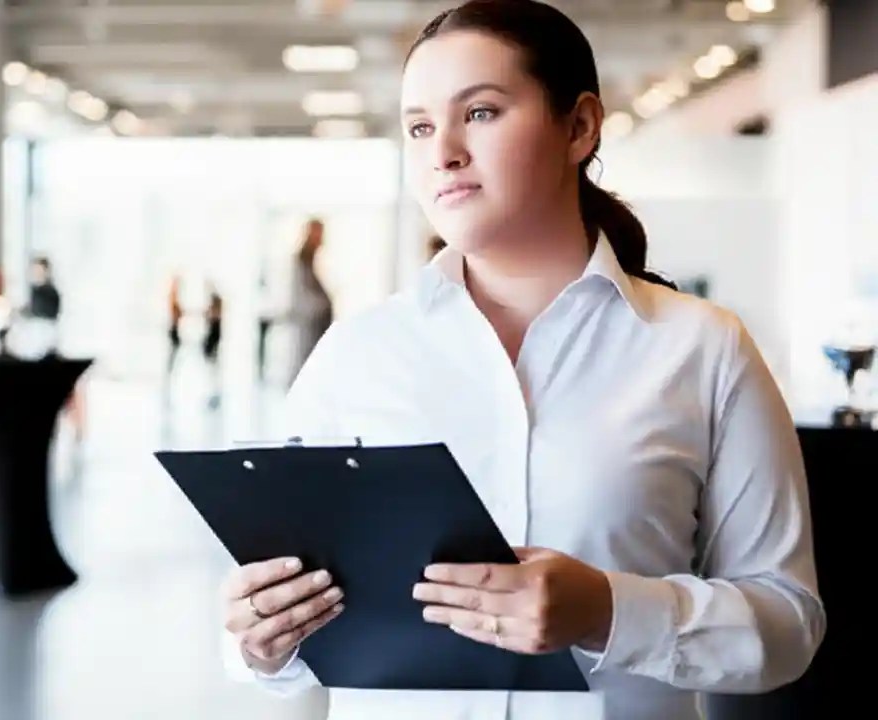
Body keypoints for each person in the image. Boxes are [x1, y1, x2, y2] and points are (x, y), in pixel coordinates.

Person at [217, 2, 824, 720]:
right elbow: (275, 627)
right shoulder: (357, 354)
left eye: (479, 113)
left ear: (580, 126)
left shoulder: (703, 349)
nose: (441, 151)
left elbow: (787, 626)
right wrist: (260, 639)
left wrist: (607, 610)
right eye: (418, 126)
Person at [287, 217, 334, 378]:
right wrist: (324, 304)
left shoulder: (311, 263)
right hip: (305, 333)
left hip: (316, 332)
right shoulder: (298, 263)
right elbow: (301, 302)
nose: (321, 239)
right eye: (318, 233)